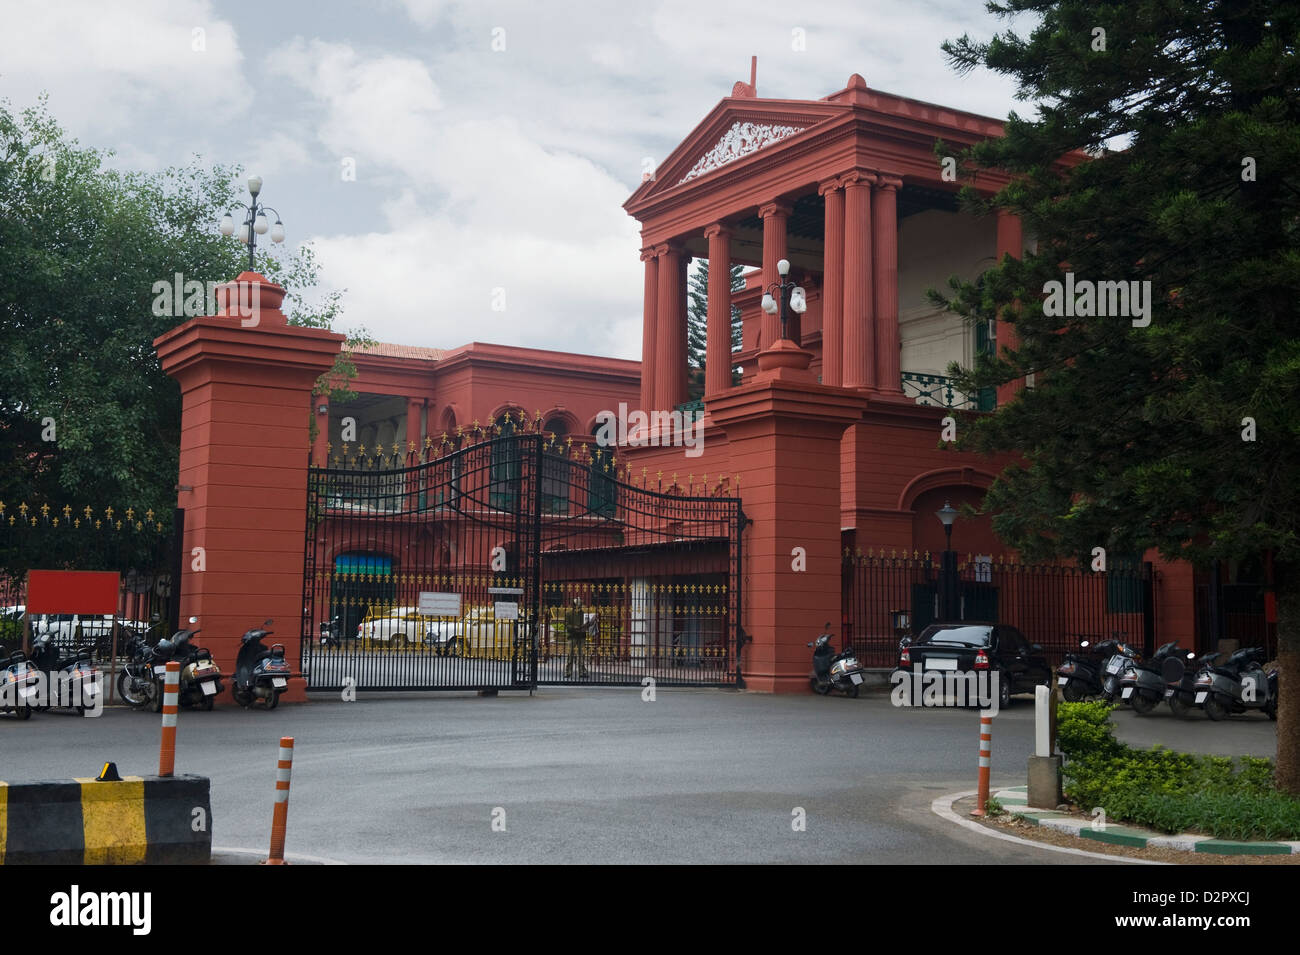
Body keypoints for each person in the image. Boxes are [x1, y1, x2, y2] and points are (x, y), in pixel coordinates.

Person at [563, 597, 589, 678]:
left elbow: (587, 624)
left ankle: (581, 672)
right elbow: (567, 625)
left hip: (581, 636)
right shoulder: (568, 614)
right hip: (572, 635)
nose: (579, 606)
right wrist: (575, 627)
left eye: (580, 605)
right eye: (578, 605)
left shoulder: (584, 614)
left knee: (581, 655)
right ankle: (568, 672)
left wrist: (586, 625)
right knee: (570, 654)